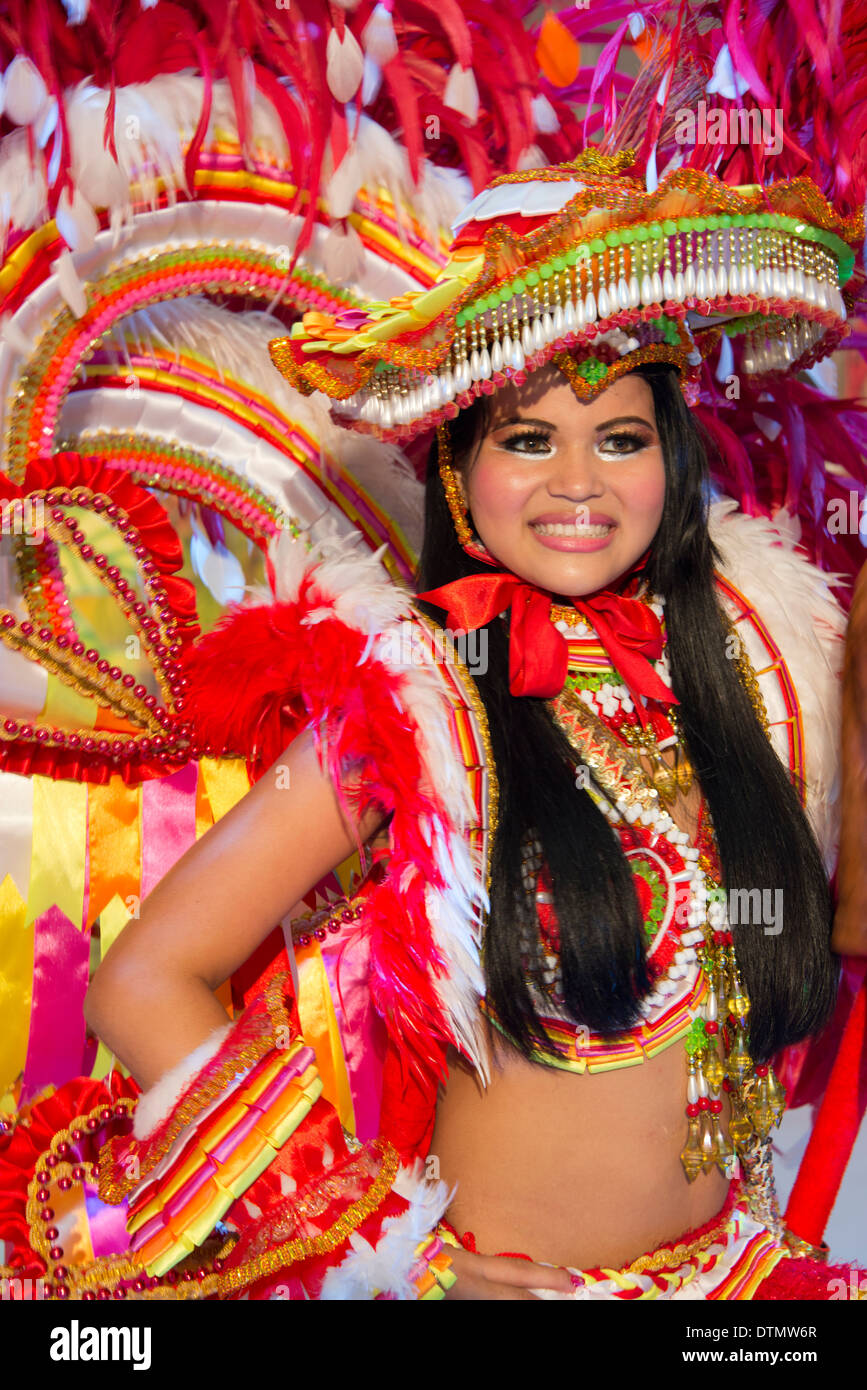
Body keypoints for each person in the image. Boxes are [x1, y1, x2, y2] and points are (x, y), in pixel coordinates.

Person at [6, 148, 866, 1301]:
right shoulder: (418, 699)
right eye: (528, 439)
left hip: (734, 1277)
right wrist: (397, 1256)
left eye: (621, 438)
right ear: (459, 473)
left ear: (673, 458)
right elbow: (144, 980)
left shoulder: (757, 663)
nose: (580, 483)